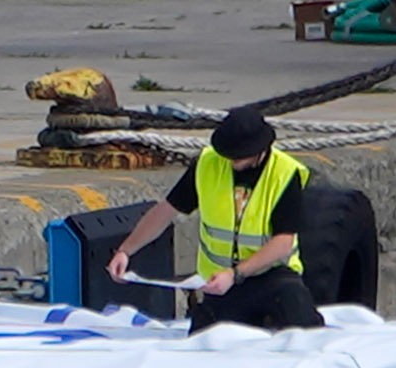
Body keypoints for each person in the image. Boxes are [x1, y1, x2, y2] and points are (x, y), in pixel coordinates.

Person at [104, 110, 323, 333]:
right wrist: (125, 251)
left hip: (272, 276)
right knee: (206, 337)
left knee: (297, 311)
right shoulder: (208, 164)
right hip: (220, 283)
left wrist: (236, 273)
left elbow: (284, 241)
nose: (230, 162)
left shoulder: (284, 173)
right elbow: (165, 211)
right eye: (227, 155)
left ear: (259, 151)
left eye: (238, 157)